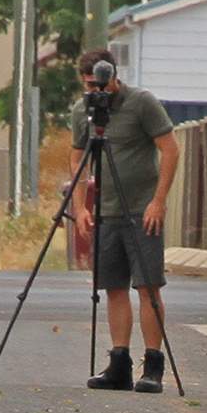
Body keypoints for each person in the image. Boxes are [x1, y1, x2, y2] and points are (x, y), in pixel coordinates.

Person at [71, 48, 180, 393]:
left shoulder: (141, 103)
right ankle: (119, 363)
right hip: (107, 211)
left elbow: (171, 149)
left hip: (141, 209)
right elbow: (77, 161)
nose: (97, 91)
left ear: (114, 76)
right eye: (89, 85)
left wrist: (158, 202)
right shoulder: (82, 111)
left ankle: (153, 364)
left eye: (101, 83)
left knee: (147, 286)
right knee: (113, 287)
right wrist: (81, 208)